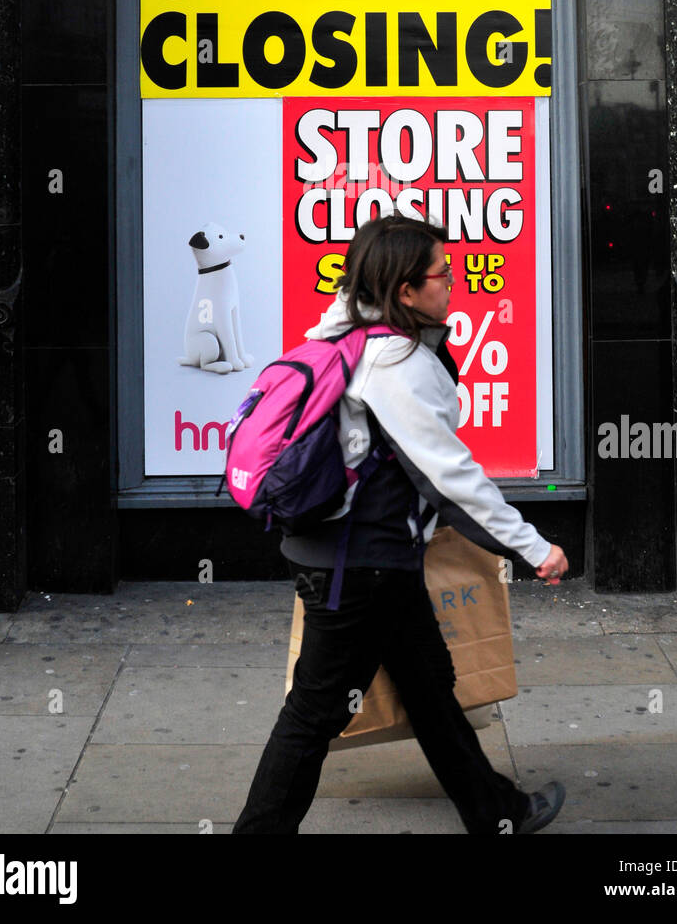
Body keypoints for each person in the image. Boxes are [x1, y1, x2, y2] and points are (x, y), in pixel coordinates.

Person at [232, 213, 569, 835]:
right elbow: (451, 476)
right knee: (314, 712)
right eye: (443, 273)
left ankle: (498, 812)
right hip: (360, 566)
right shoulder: (394, 360)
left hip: (360, 555)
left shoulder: (347, 333)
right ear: (406, 291)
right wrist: (533, 547)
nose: (455, 281)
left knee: (428, 683)